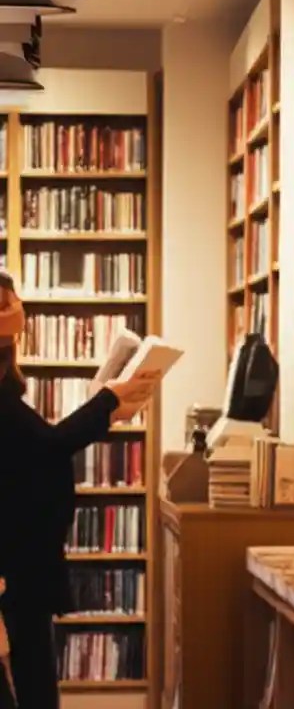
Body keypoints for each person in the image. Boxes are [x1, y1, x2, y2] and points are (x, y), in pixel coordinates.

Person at [0, 270, 156, 708]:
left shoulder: (8, 400)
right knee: (31, 681)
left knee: (31, 676)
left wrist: (106, 408)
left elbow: (39, 447)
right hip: (16, 570)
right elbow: (47, 447)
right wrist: (107, 402)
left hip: (19, 566)